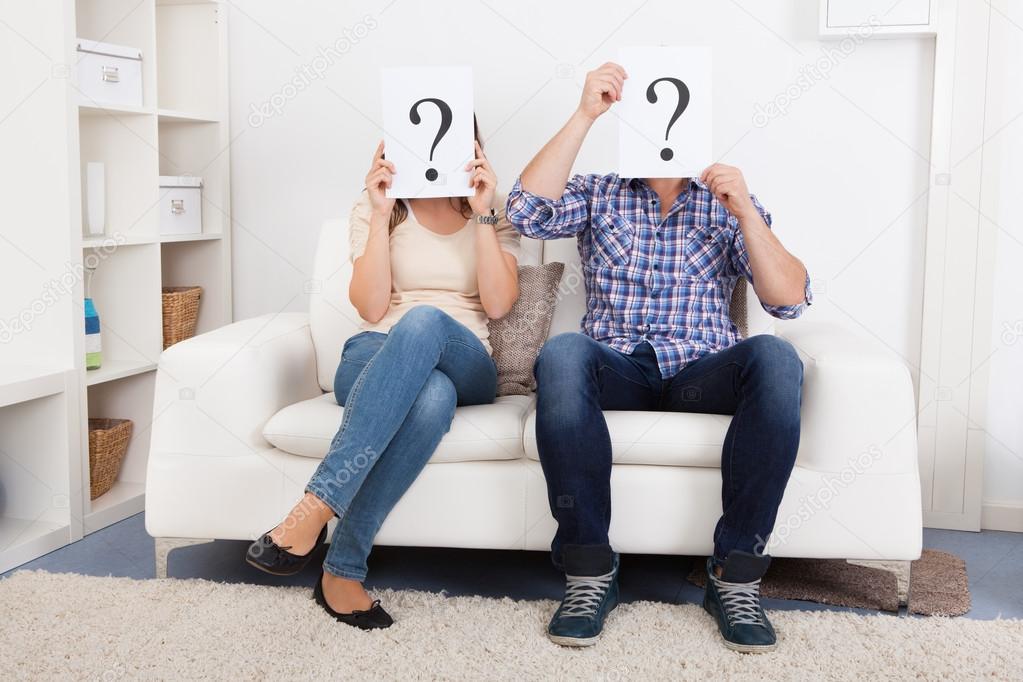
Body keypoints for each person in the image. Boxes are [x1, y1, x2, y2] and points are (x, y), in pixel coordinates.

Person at [506, 62, 811, 653]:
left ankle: (734, 576)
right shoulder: (600, 191)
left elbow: (790, 300)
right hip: (621, 366)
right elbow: (523, 211)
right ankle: (590, 570)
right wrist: (586, 113)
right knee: (564, 352)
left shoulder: (724, 202)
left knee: (777, 357)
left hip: (703, 372)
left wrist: (746, 211)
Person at [246, 123, 520, 630]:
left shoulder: (494, 210)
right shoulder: (377, 210)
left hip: (467, 362)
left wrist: (483, 211)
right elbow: (372, 308)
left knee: (424, 323)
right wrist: (377, 214)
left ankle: (316, 504)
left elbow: (500, 304)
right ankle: (341, 572)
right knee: (430, 396)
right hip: (375, 353)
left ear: (473, 148)